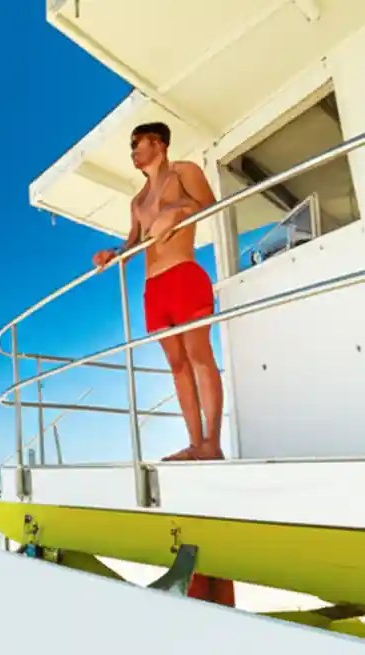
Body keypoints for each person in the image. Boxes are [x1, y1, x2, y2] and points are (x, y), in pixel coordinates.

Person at [92, 122, 224, 461]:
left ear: (159, 144)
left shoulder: (183, 172)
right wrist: (114, 253)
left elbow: (209, 204)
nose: (133, 151)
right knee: (178, 365)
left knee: (199, 356)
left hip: (183, 274)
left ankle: (212, 442)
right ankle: (195, 443)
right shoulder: (137, 201)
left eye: (138, 143)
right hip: (154, 288)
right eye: (132, 145)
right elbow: (133, 241)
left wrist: (178, 211)